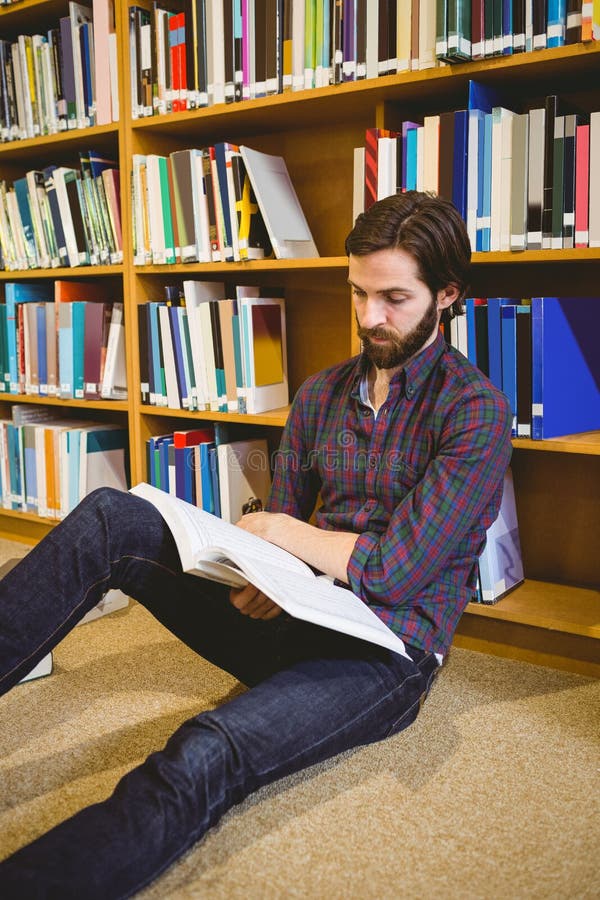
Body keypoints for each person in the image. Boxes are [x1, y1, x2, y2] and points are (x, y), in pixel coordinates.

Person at [0, 191, 512, 898]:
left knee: (205, 750)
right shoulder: (322, 392)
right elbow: (281, 526)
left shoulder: (477, 411)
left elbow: (396, 572)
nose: (370, 317)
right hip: (293, 610)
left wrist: (284, 536)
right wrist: (262, 567)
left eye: (395, 297)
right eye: (359, 293)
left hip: (385, 651)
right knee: (112, 516)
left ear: (448, 294)